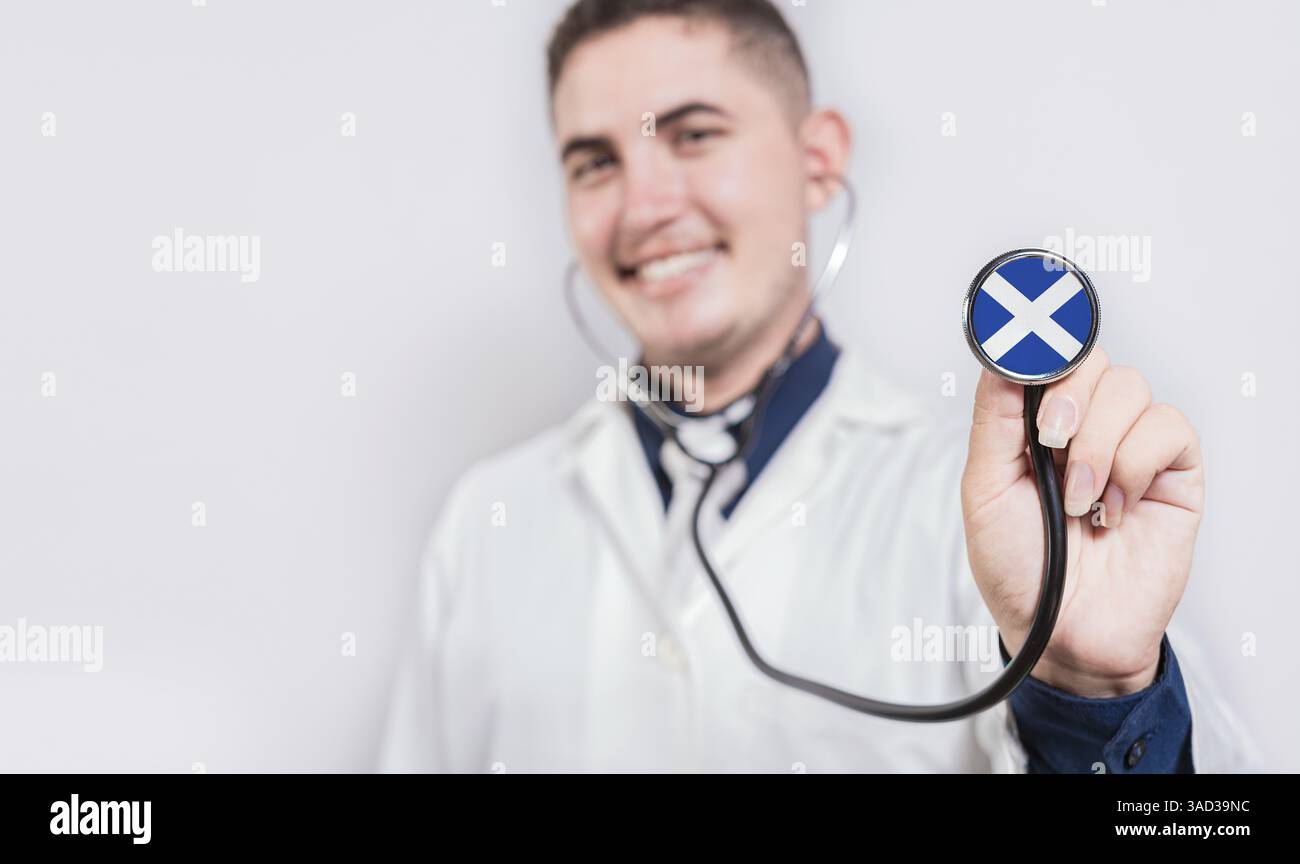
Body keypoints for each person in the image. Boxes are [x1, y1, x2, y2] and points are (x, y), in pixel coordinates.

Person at [380, 0, 1256, 772]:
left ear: (818, 159)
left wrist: (1091, 692)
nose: (643, 205)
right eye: (594, 163)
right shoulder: (488, 521)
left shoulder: (1013, 511)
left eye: (692, 135)